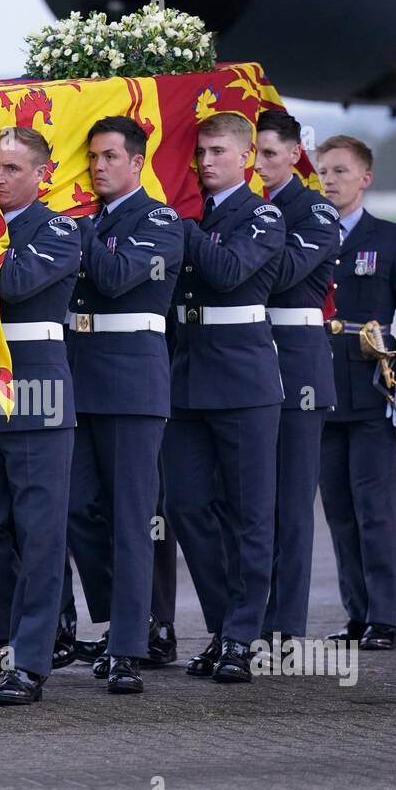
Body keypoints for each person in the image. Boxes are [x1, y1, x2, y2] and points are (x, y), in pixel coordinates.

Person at [0, 127, 80, 706]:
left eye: (12, 169)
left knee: (41, 532)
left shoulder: (58, 227)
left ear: (41, 174)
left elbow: (20, 283)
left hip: (34, 391)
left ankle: (29, 660)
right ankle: (27, 628)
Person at [163, 112, 286, 685]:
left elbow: (230, 270)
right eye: (200, 153)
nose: (206, 162)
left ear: (245, 157)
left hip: (242, 381)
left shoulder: (261, 214)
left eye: (217, 152)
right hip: (188, 376)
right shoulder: (194, 214)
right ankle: (222, 626)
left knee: (249, 513)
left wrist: (183, 225)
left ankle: (242, 636)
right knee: (188, 507)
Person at [66, 116, 183, 695]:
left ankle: (129, 647)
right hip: (80, 380)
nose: (98, 166)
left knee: (132, 519)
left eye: (110, 156)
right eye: (92, 157)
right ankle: (117, 621)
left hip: (132, 385)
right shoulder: (90, 221)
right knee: (75, 507)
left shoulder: (160, 221)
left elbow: (112, 278)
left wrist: (73, 229)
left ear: (137, 162)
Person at [315, 135, 396, 650]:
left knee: (375, 509)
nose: (330, 179)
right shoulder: (307, 234)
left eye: (341, 171)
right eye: (323, 170)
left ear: (365, 178)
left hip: (370, 387)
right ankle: (357, 613)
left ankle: (384, 617)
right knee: (339, 510)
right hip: (318, 388)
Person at [253, 110, 341, 642]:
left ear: (294, 155)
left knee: (290, 505)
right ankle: (247, 621)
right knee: (249, 502)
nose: (259, 163)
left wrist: (239, 249)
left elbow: (282, 273)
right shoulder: (240, 207)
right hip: (248, 358)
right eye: (254, 153)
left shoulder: (315, 212)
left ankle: (284, 627)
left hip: (297, 364)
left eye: (269, 153)